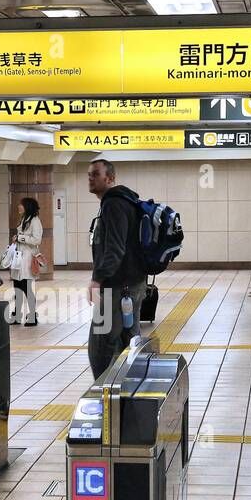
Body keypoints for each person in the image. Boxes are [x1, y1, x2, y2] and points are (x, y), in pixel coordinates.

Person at [87, 158, 147, 379]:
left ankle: (103, 393)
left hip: (117, 288)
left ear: (110, 178)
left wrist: (97, 279)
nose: (90, 179)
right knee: (128, 342)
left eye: (95, 174)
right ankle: (128, 393)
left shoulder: (113, 204)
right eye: (89, 174)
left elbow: (114, 249)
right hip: (132, 284)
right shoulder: (126, 201)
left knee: (100, 346)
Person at [8, 197, 43, 326]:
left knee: (26, 287)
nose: (19, 207)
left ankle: (33, 315)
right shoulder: (24, 219)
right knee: (17, 287)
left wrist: (20, 238)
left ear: (27, 206)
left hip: (27, 258)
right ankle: (17, 315)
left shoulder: (35, 221)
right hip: (19, 258)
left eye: (21, 205)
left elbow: (37, 240)